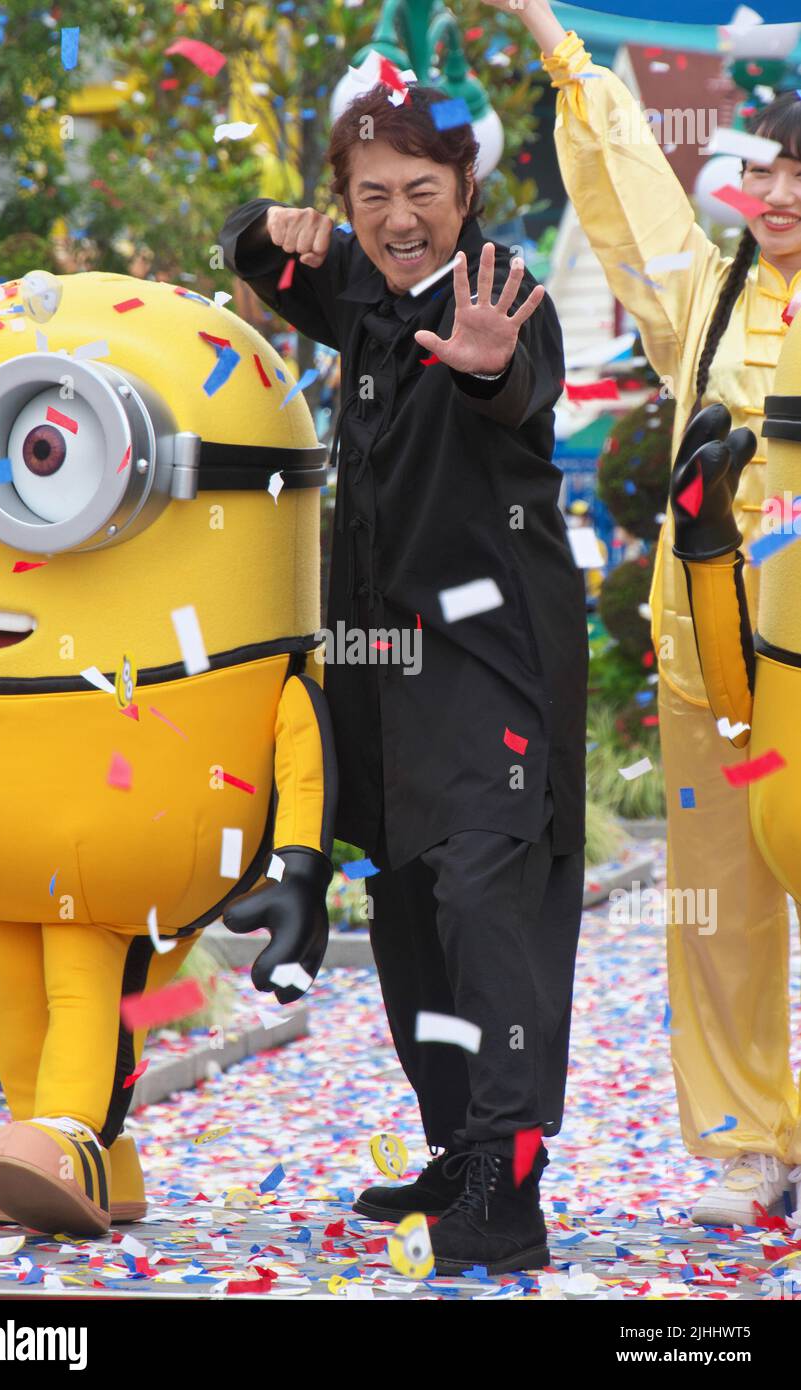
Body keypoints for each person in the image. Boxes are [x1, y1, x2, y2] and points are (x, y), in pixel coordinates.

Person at [219, 81, 588, 1274]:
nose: (399, 216)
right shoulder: (363, 292)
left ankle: (510, 1176)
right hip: (381, 668)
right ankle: (456, 1145)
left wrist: (482, 368)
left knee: (485, 892)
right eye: (370, 196)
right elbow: (245, 256)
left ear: (466, 191)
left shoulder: (502, 295)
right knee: (410, 910)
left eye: (422, 192)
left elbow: (517, 378)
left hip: (491, 659)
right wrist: (268, 227)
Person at [491, 0, 801, 1224]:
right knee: (718, 906)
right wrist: (555, 42)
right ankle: (748, 1140)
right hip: (710, 663)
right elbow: (631, 189)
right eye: (768, 169)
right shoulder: (707, 301)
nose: (778, 194)